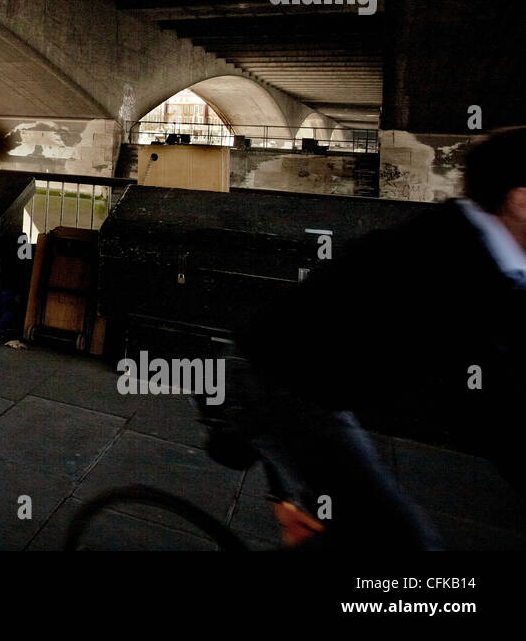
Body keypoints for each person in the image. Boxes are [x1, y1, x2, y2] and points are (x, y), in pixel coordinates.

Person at [222, 126, 526, 548]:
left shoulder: (482, 251)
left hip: (311, 382)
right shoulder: (454, 259)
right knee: (404, 539)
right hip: (281, 382)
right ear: (520, 200)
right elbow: (487, 404)